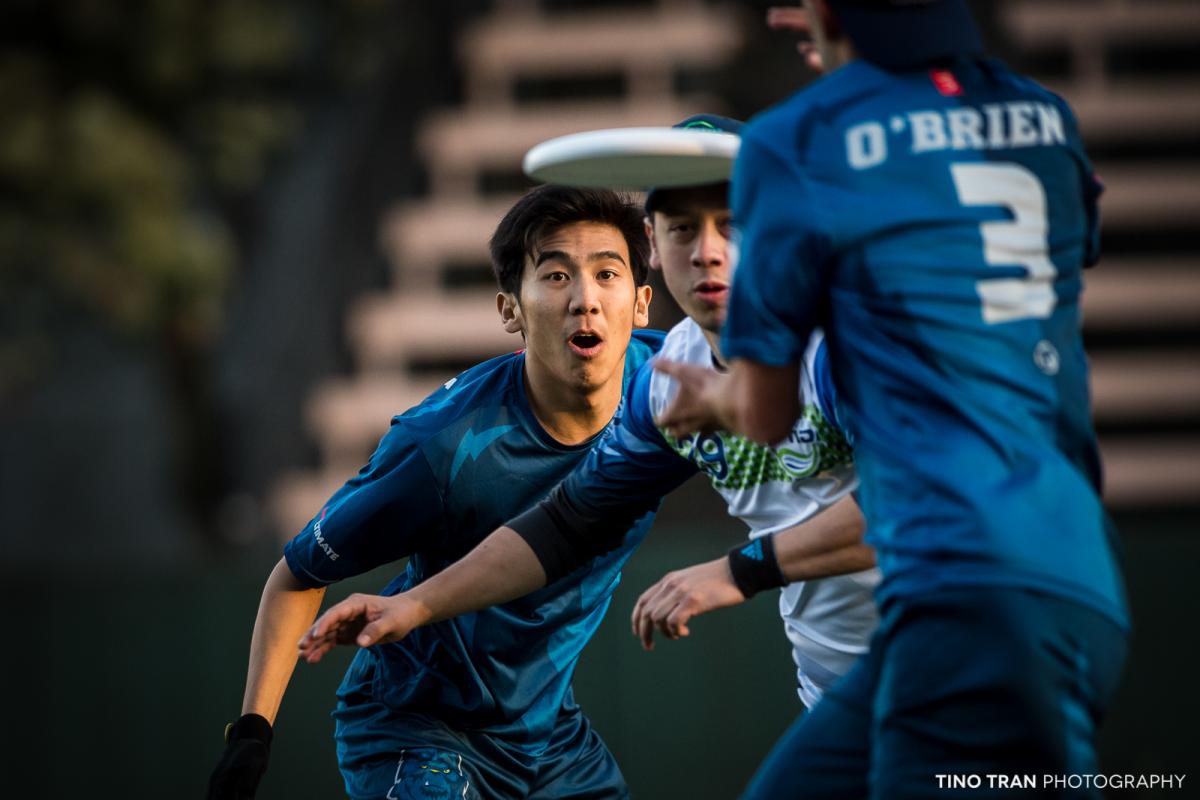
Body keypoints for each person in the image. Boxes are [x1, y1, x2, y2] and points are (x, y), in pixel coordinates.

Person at [657, 2, 1130, 798]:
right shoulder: (1046, 119)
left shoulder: (797, 141)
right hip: (1074, 580)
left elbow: (769, 415)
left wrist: (722, 396)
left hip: (964, 594)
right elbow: (1067, 237)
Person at [299, 116, 880, 712]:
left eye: (732, 226)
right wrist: (415, 604)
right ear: (654, 245)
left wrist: (739, 571)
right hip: (838, 701)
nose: (707, 253)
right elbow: (566, 525)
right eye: (683, 229)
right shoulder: (669, 383)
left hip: (954, 672)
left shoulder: (845, 342)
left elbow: (917, 506)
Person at [208, 184, 658, 800]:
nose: (585, 300)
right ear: (511, 311)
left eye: (608, 274)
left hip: (549, 738)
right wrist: (252, 735)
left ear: (641, 303)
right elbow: (297, 573)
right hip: (416, 727)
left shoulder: (671, 394)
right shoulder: (444, 446)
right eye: (555, 277)